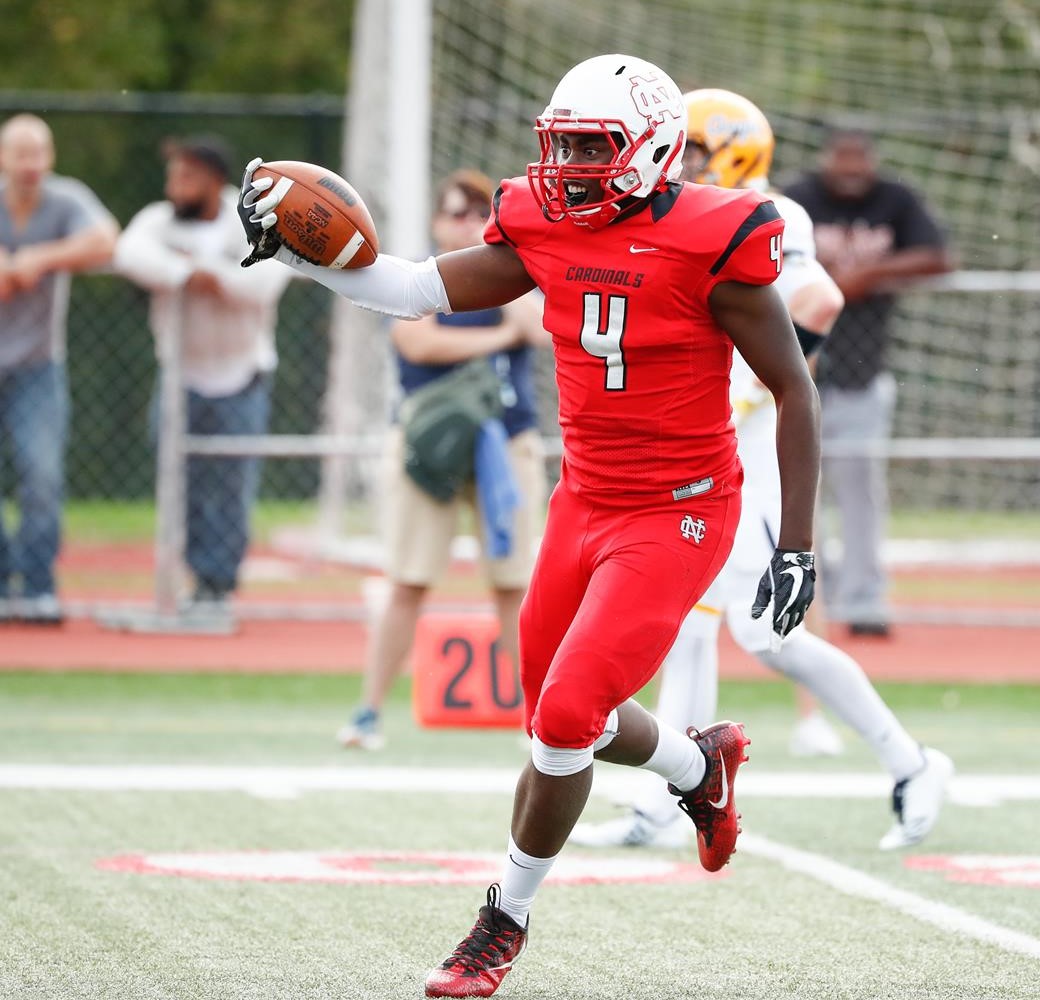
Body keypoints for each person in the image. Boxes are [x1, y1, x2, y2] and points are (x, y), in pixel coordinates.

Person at [240, 53, 820, 998]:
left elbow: (794, 389)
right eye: (564, 146)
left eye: (594, 147)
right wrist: (307, 259)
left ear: (652, 150)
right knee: (559, 714)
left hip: (678, 511)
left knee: (563, 720)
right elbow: (413, 287)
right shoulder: (544, 221)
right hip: (582, 501)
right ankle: (697, 764)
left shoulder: (717, 236)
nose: (571, 167)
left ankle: (499, 925)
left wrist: (795, 545)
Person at [571, 88, 953, 855]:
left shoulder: (769, 212)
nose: (679, 163)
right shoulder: (684, 215)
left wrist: (750, 388)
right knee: (692, 625)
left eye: (695, 150)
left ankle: (911, 763)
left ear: (734, 151)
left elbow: (819, 297)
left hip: (749, 458)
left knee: (764, 634)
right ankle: (671, 796)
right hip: (705, 455)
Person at [338, 169, 549, 751]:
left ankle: (539, 721)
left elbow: (538, 328)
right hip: (429, 447)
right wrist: (498, 339)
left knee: (514, 585)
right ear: (436, 221)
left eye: (479, 213)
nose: (466, 223)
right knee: (408, 578)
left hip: (504, 441)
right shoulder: (417, 276)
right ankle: (368, 712)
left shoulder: (513, 274)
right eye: (456, 212)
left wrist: (508, 308)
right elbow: (418, 341)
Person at [114, 136, 291, 625]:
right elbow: (128, 253)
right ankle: (190, 580)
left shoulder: (250, 219)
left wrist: (219, 279)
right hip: (180, 376)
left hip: (242, 373)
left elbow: (266, 278)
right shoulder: (158, 221)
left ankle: (217, 588)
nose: (174, 187)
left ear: (215, 181)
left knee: (231, 486)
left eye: (186, 177)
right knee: (180, 484)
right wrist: (185, 274)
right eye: (172, 176)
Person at [784, 128, 951, 637]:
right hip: (792, 372)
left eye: (861, 159)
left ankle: (862, 601)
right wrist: (823, 272)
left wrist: (865, 275)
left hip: (863, 371)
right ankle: (806, 596)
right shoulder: (799, 198)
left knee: (860, 493)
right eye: (843, 158)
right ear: (826, 159)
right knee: (794, 492)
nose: (852, 169)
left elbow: (938, 256)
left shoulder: (893, 199)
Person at [0, 113, 117, 623]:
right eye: (21, 153)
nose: (31, 164)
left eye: (39, 153)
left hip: (37, 365)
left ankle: (37, 586)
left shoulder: (66, 200)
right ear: (3, 158)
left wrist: (37, 258)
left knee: (41, 474)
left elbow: (106, 239)